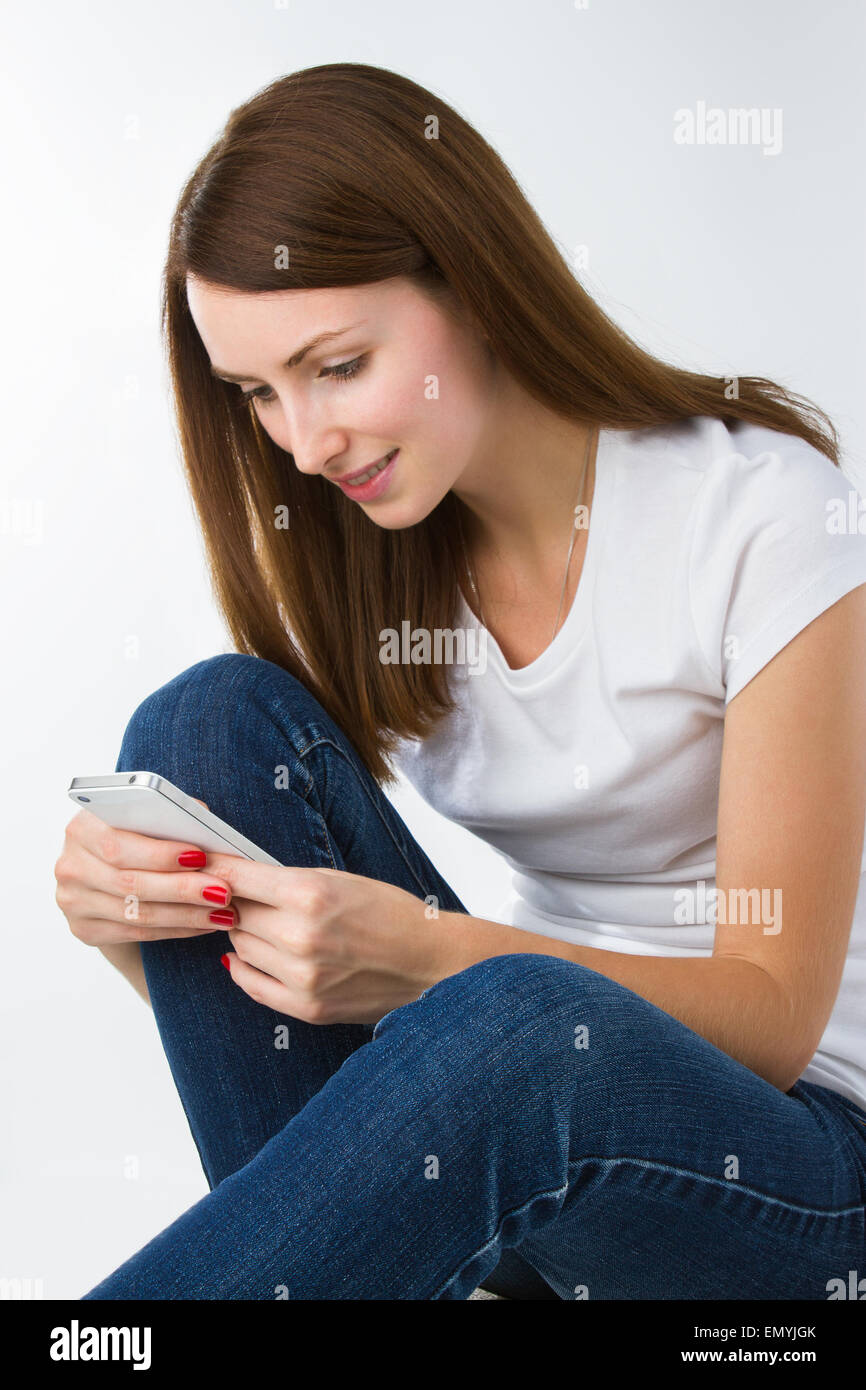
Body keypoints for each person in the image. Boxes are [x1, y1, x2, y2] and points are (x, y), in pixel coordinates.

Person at [55, 62, 866, 1300]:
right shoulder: (380, 555)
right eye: (258, 394)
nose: (305, 443)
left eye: (336, 366)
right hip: (526, 1150)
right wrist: (149, 921)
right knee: (200, 727)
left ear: (472, 282)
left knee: (519, 1018)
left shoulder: (758, 513)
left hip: (792, 1180)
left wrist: (436, 957)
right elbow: (282, 1060)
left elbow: (771, 1014)